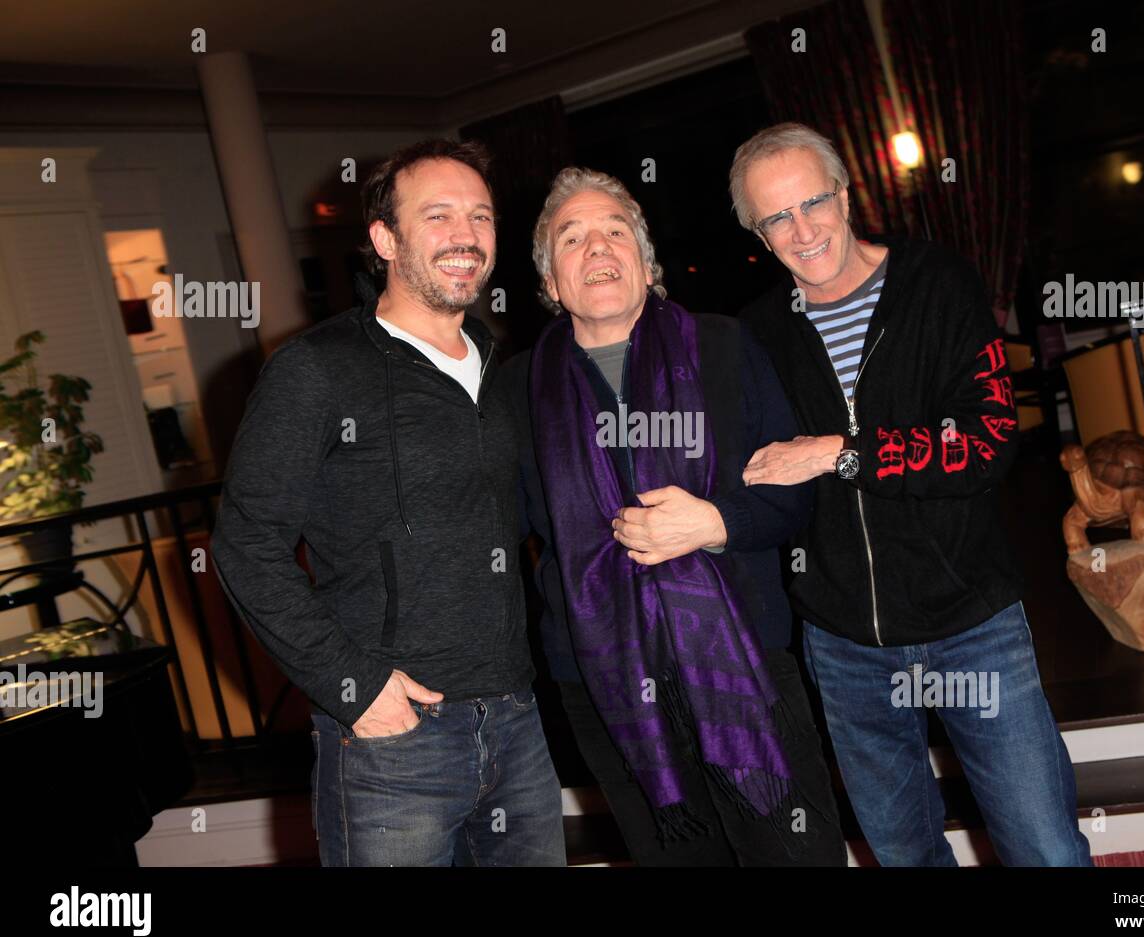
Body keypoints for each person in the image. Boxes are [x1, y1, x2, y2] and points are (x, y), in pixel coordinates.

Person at [730, 122, 1093, 866]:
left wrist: (842, 453)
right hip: (842, 642)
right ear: (758, 234)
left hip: (971, 622)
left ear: (845, 193)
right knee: (904, 857)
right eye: (777, 218)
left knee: (1044, 847)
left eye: (813, 203)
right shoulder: (757, 335)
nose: (802, 230)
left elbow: (987, 441)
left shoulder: (938, 283)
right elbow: (749, 472)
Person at [212, 138, 564, 867]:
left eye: (481, 217)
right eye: (437, 216)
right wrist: (357, 687)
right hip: (393, 743)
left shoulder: (501, 364)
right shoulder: (316, 371)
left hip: (516, 721)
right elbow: (247, 546)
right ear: (384, 238)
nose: (466, 237)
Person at [502, 166, 845, 865]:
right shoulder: (513, 390)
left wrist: (715, 523)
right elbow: (496, 531)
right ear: (550, 279)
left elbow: (793, 493)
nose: (597, 248)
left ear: (646, 258)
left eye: (614, 231)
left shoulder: (723, 345)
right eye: (573, 238)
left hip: (746, 660)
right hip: (605, 682)